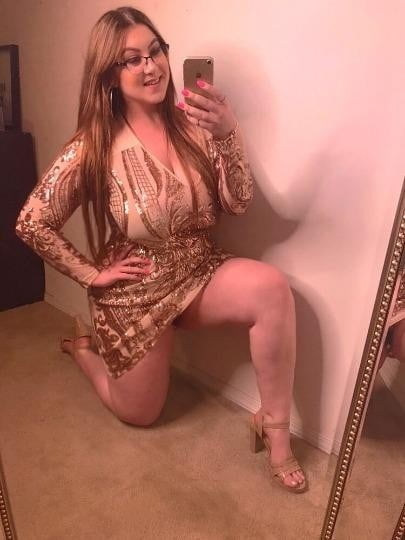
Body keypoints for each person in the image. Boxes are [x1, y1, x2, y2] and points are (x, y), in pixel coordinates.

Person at [15, 6, 307, 492]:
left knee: (272, 288)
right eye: (132, 60)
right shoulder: (93, 145)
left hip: (198, 269)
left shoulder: (195, 122)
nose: (150, 67)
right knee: (140, 414)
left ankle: (275, 430)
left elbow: (238, 202)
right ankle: (84, 351)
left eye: (155, 52)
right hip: (135, 291)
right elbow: (32, 221)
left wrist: (227, 133)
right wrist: (91, 274)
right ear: (110, 74)